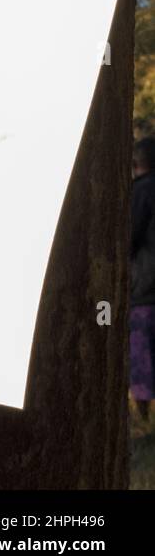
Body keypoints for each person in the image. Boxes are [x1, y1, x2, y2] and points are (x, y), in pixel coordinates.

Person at [132, 137, 155, 419]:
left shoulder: (142, 191)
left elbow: (128, 238)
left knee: (141, 361)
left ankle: (144, 421)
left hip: (145, 290)